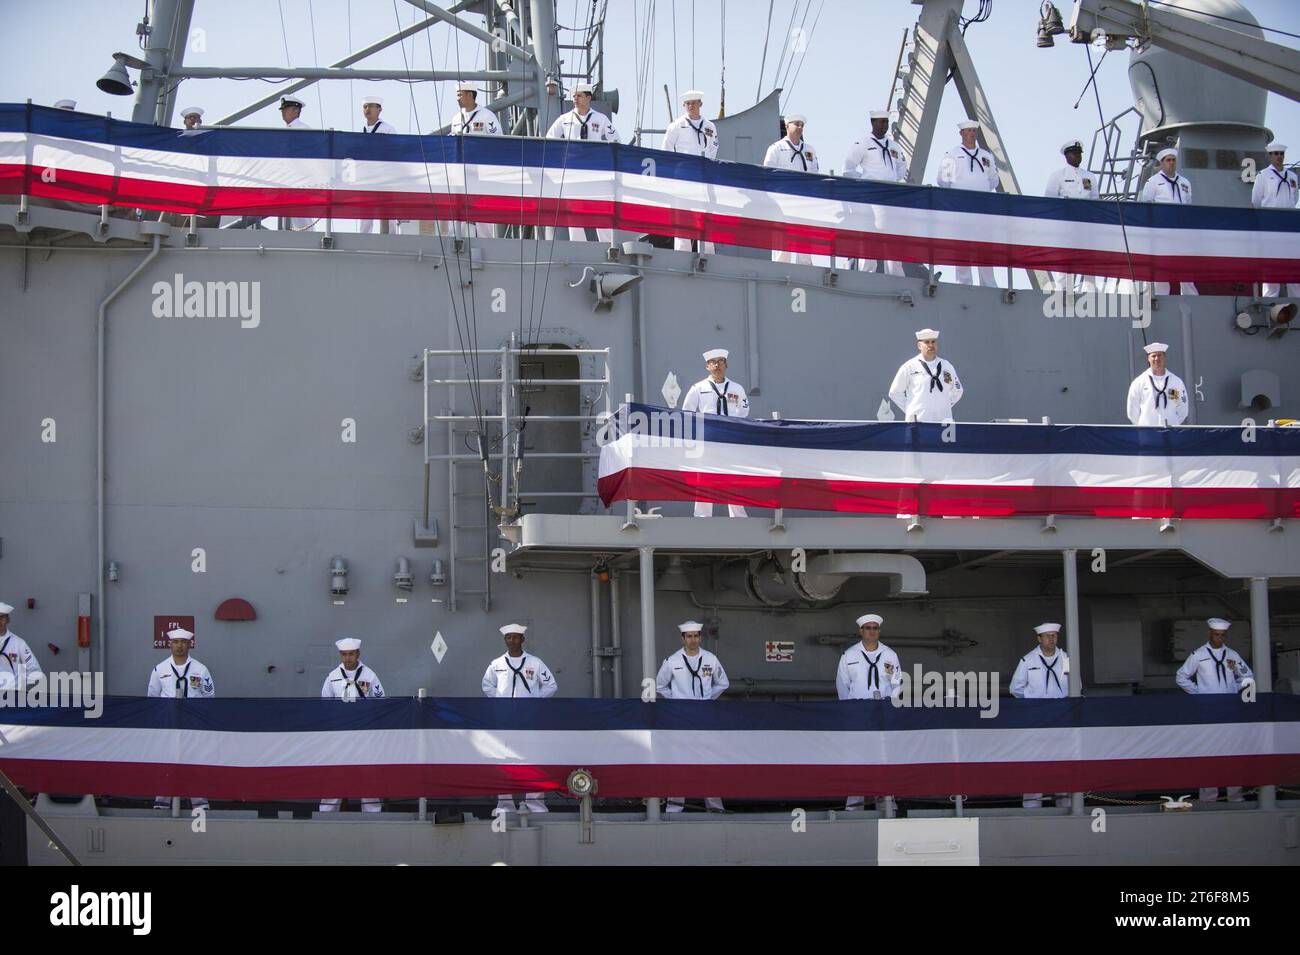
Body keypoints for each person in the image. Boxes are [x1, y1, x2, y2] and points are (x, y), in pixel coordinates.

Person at [482, 624, 557, 814]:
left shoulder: (535, 663)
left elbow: (551, 685)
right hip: (505, 720)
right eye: (509, 638)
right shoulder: (497, 664)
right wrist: (501, 702)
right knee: (504, 760)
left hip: (529, 720)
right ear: (504, 640)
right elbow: (487, 685)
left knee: (532, 760)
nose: (512, 641)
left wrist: (534, 702)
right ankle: (505, 805)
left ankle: (535, 804)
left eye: (516, 637)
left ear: (522, 639)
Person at [1176, 618, 1253, 803]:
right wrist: (1200, 693)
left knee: (1233, 752)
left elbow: (1248, 676)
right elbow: (1181, 676)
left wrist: (1234, 690)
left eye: (1222, 635)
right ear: (1210, 633)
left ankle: (1235, 796)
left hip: (1229, 709)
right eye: (1216, 635)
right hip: (1208, 710)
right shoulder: (1199, 654)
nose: (1219, 638)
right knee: (1209, 752)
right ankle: (1208, 797)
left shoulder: (1232, 655)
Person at [656, 621, 729, 812]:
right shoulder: (672, 661)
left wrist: (706, 700)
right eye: (689, 636)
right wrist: (678, 702)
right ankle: (675, 807)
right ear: (683, 638)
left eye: (696, 636)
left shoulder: (710, 659)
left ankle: (714, 806)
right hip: (681, 718)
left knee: (709, 761)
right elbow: (660, 685)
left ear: (700, 637)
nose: (693, 639)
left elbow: (723, 683)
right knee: (679, 761)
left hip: (704, 717)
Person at [837, 613, 902, 810]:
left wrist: (890, 709)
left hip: (882, 712)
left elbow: (896, 684)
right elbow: (842, 685)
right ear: (861, 631)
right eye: (868, 628)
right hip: (858, 714)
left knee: (884, 757)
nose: (871, 631)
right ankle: (855, 805)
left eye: (875, 628)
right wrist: (850, 712)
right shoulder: (849, 656)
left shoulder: (890, 655)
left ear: (879, 631)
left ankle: (886, 804)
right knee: (857, 758)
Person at [146, 627, 214, 810]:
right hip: (168, 725)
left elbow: (209, 698)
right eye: (176, 642)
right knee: (166, 761)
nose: (179, 646)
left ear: (189, 644)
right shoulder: (159, 669)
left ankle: (199, 800)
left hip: (193, 726)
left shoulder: (200, 669)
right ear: (170, 644)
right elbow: (152, 698)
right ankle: (163, 800)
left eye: (183, 642)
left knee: (195, 760)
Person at [680, 347, 750, 517]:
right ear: (707, 367)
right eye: (713, 362)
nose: (717, 365)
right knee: (704, 478)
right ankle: (702, 518)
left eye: (720, 362)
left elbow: (744, 412)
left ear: (726, 365)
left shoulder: (736, 388)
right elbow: (687, 411)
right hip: (707, 440)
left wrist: (732, 426)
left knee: (733, 478)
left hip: (730, 440)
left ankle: (738, 517)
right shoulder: (698, 387)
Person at [545, 82, 618, 243]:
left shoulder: (600, 119)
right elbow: (550, 139)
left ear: (588, 97)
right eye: (574, 96)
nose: (575, 99)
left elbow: (616, 140)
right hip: (573, 169)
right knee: (574, 210)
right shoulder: (565, 119)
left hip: (596, 170)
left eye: (579, 96)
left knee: (600, 207)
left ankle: (607, 244)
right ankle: (578, 244)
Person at [1009, 622, 1072, 809]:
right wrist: (1033, 704)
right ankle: (1032, 806)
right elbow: (1015, 689)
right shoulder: (1028, 661)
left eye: (1054, 635)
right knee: (1035, 763)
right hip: (1036, 719)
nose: (1052, 639)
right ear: (1039, 639)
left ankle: (1065, 804)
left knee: (1063, 763)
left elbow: (1075, 685)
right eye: (1047, 636)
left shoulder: (1066, 659)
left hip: (1062, 717)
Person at [319, 637, 385, 812]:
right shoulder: (332, 677)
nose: (347, 658)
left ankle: (372, 812)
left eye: (351, 654)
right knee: (335, 773)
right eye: (344, 654)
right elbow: (324, 705)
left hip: (365, 734)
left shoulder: (369, 675)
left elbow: (380, 702)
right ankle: (327, 811)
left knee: (368, 773)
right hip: (340, 735)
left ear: (358, 654)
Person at [842, 110, 909, 275]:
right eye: (880, 122)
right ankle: (867, 272)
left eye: (886, 122)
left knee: (893, 235)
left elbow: (901, 168)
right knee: (870, 234)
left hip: (890, 195)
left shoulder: (893, 145)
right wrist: (865, 180)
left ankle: (895, 274)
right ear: (873, 123)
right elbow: (848, 169)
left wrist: (892, 180)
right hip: (871, 195)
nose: (884, 125)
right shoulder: (863, 143)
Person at [937, 119, 999, 287]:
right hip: (961, 206)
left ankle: (988, 282)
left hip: (982, 206)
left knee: (984, 244)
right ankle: (964, 282)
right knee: (962, 244)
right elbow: (943, 180)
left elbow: (994, 181)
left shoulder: (986, 156)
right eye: (968, 131)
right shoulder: (952, 154)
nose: (971, 134)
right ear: (961, 134)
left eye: (973, 131)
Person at [662, 90, 719, 254]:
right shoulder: (676, 126)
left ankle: (708, 252)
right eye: (688, 104)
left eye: (694, 103)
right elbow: (666, 150)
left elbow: (714, 146)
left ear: (700, 104)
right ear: (683, 106)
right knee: (683, 216)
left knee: (706, 215)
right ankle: (682, 253)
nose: (691, 106)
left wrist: (707, 161)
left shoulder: (709, 126)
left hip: (703, 175)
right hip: (683, 177)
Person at [1044, 140, 1100, 292]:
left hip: (1086, 225)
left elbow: (1095, 200)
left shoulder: (1090, 176)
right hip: (1067, 225)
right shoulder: (1058, 176)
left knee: (1088, 258)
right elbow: (1050, 201)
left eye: (1079, 154)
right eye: (1074, 154)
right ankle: (1063, 291)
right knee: (1066, 258)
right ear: (1067, 156)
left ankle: (1091, 290)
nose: (1077, 156)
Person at [764, 114, 820, 265]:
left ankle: (806, 271)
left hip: (804, 201)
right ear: (787, 126)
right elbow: (768, 175)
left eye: (802, 125)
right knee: (782, 243)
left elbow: (815, 174)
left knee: (804, 243)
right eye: (797, 124)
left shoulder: (809, 150)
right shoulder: (776, 148)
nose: (800, 128)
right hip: (783, 201)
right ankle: (781, 271)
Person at [448, 83, 502, 239]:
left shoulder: (486, 116)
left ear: (470, 95)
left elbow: (497, 139)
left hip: (480, 168)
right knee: (458, 202)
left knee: (481, 204)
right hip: (461, 168)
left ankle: (486, 239)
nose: (457, 98)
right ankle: (456, 237)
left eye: (460, 94)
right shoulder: (457, 118)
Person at [1139, 149, 1196, 295]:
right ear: (1161, 163)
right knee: (1161, 266)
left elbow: (1188, 204)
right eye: (1168, 160)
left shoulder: (1185, 182)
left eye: (1173, 160)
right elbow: (1146, 204)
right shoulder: (1153, 182)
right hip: (1161, 231)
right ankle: (1160, 295)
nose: (1171, 163)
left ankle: (1190, 295)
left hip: (1181, 230)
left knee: (1185, 264)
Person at [1251, 142, 1298, 298]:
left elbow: (1294, 198)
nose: (1279, 157)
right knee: (1272, 263)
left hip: (1289, 225)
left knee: (1292, 262)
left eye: (1281, 154)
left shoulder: (1292, 176)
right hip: (1270, 225)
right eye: (1276, 154)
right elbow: (1256, 201)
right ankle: (1270, 297)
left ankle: (1296, 297)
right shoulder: (1263, 176)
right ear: (1270, 156)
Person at [888, 328, 963, 423]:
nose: (931, 345)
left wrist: (945, 406)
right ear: (919, 345)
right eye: (927, 342)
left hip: (943, 422)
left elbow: (957, 390)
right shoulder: (910, 367)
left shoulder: (946, 367)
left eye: (933, 342)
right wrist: (911, 410)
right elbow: (895, 392)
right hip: (918, 422)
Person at [356, 95, 398, 235]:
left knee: (387, 213)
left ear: (379, 109)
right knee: (365, 214)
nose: (367, 109)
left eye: (371, 106)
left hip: (384, 178)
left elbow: (396, 153)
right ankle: (364, 240)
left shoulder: (388, 129)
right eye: (365, 106)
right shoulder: (361, 131)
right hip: (366, 178)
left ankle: (390, 241)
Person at [1126, 342, 1189, 427]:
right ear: (1148, 359)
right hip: (1147, 433)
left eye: (1160, 355)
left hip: (1171, 431)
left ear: (1164, 357)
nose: (1156, 359)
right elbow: (1132, 410)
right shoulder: (1139, 382)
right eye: (1153, 356)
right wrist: (1143, 426)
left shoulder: (1175, 382)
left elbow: (1182, 408)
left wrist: (1174, 423)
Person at [278, 96, 317, 231]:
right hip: (287, 179)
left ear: (296, 111)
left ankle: (308, 239)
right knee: (288, 216)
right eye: (282, 109)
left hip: (300, 179)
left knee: (301, 215)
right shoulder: (285, 131)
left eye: (286, 109)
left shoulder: (303, 130)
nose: (283, 112)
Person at [0, 601, 43, 691]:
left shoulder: (18, 643)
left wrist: (19, 686)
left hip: (11, 698)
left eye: (2, 617)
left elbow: (35, 671)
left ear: (8, 619)